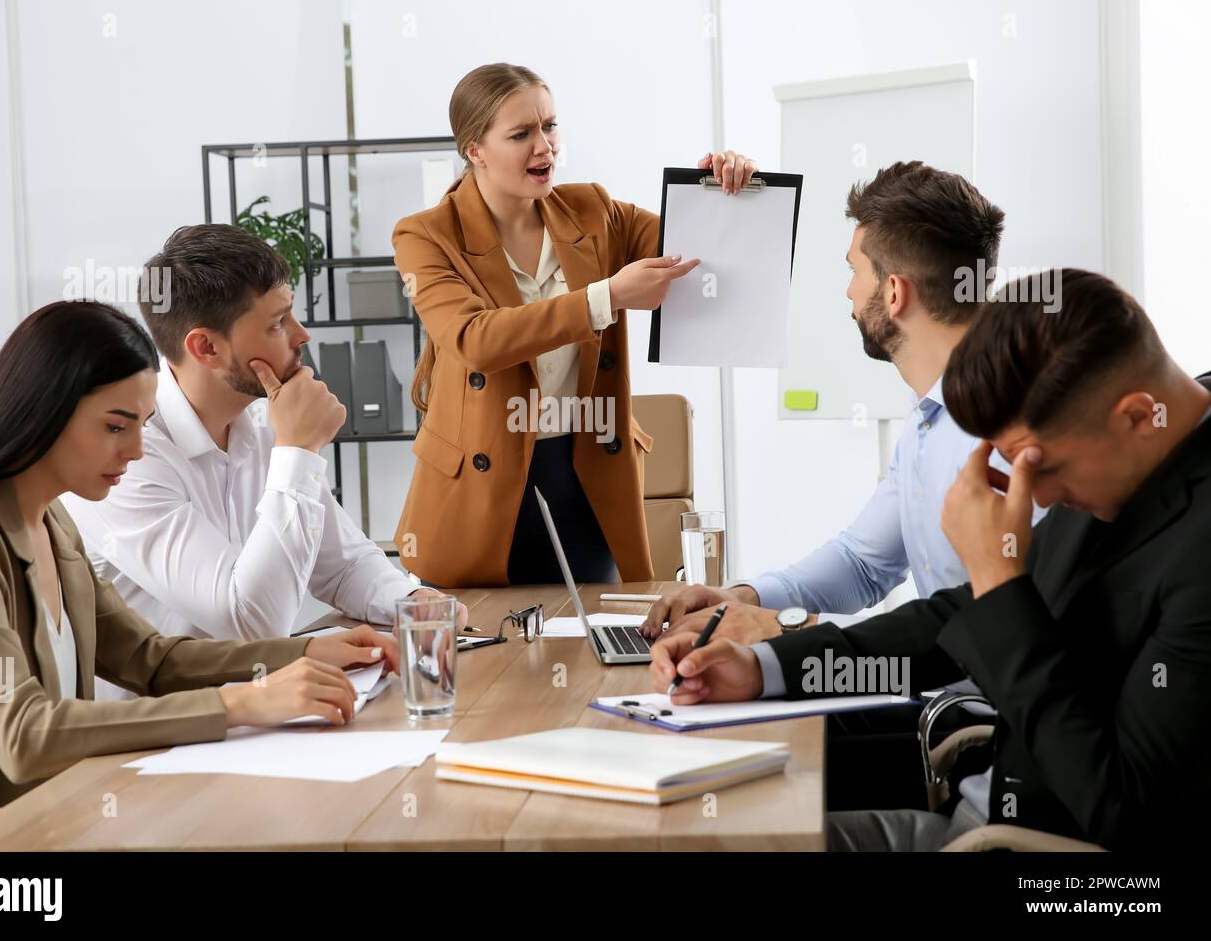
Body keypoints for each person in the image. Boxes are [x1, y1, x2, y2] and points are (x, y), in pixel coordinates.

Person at [649, 269, 1211, 850]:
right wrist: (762, 666)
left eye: (1040, 468)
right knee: (692, 836)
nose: (1038, 497)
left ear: (1140, 418)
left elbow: (1129, 815)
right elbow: (955, 620)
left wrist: (998, 580)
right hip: (975, 812)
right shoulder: (1111, 465)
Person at [0, 301, 399, 850]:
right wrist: (241, 703)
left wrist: (303, 654)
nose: (136, 450)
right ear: (42, 412)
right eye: (115, 426)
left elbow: (150, 660)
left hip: (68, 816)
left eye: (141, 425)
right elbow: (24, 733)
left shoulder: (52, 523)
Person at [641, 161, 1020, 809]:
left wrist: (781, 630)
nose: (848, 294)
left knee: (730, 786)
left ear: (894, 293)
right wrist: (743, 597)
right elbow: (862, 560)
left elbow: (981, 617)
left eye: (855, 271)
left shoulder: (1000, 431)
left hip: (974, 733)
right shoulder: (932, 417)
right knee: (706, 738)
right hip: (933, 700)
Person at [392, 61, 757, 587]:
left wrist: (723, 189)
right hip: (479, 488)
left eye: (550, 125)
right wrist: (605, 298)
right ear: (475, 151)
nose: (545, 146)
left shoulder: (594, 210)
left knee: (597, 651)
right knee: (485, 657)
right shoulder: (425, 236)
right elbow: (476, 340)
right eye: (521, 134)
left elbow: (704, 253)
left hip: (585, 473)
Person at [63, 225, 462, 700]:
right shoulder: (131, 455)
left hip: (256, 712)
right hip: (160, 741)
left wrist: (413, 603)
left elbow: (341, 565)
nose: (302, 336)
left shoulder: (263, 421)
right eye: (277, 324)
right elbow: (250, 624)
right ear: (205, 348)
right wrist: (297, 451)